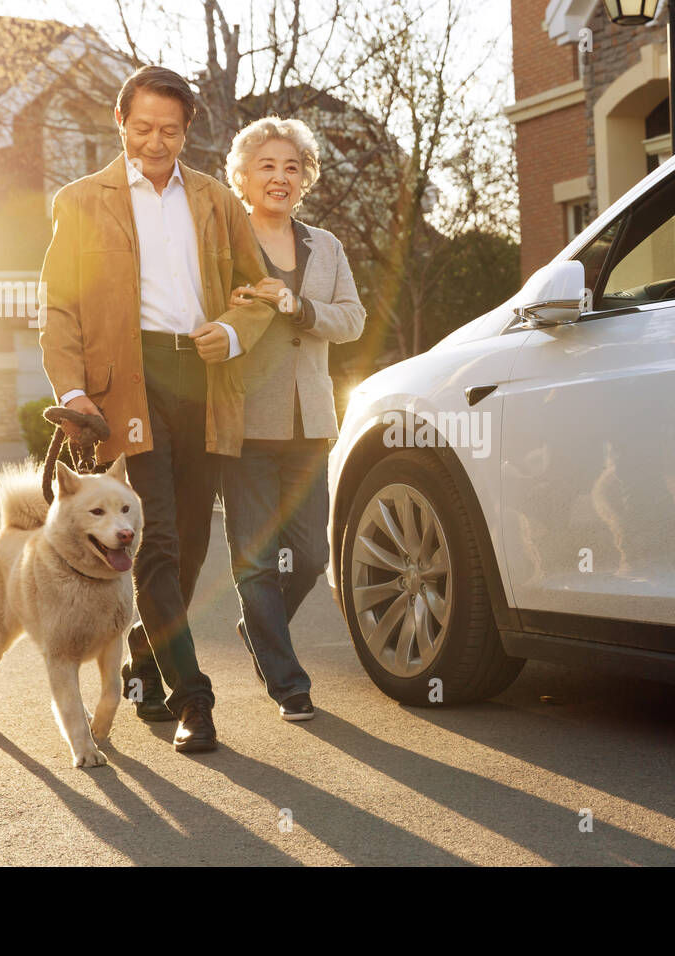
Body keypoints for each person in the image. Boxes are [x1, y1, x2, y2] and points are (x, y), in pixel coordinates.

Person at [38, 66, 275, 753]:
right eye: (142, 127)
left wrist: (230, 329)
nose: (155, 141)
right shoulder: (82, 201)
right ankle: (193, 699)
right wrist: (72, 390)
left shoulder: (214, 200)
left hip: (202, 378)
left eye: (169, 130)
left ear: (186, 131)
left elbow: (258, 289)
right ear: (121, 124)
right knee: (158, 540)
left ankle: (143, 657)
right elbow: (58, 306)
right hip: (126, 387)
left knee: (193, 544)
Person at [222, 116, 366, 720]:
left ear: (304, 179)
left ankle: (260, 628)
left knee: (308, 555)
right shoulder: (224, 244)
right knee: (255, 558)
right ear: (244, 177)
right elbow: (203, 317)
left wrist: (299, 306)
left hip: (311, 423)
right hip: (246, 422)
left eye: (292, 167)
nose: (280, 178)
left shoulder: (325, 247)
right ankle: (288, 681)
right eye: (267, 166)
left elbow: (352, 321)